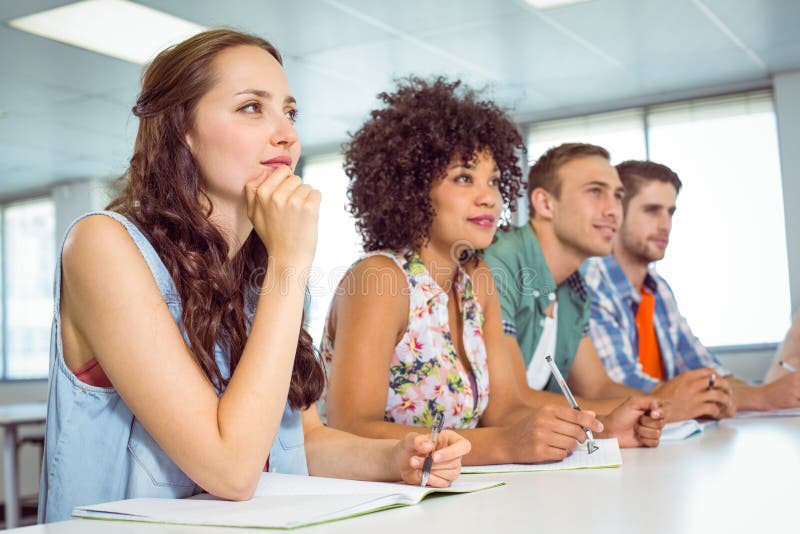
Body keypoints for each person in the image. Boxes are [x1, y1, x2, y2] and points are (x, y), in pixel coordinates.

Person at [39, 30, 470, 523]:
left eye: (289, 112)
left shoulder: (263, 271)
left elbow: (301, 442)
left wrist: (395, 458)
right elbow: (231, 470)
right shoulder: (102, 245)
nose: (286, 134)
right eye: (251, 108)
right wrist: (291, 261)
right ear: (184, 130)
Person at [322, 79, 664, 467]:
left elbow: (505, 411)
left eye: (494, 181)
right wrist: (501, 446)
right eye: (464, 178)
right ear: (413, 189)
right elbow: (351, 429)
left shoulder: (477, 281)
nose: (489, 196)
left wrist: (600, 428)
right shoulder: (379, 280)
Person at [484, 143, 732, 422]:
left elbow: (597, 387)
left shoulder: (573, 287)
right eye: (595, 192)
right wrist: (665, 408)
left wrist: (662, 405)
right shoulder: (499, 264)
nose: (614, 210)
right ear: (545, 204)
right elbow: (514, 401)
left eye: (617, 196)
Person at [583, 159, 800, 412]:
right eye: (652, 210)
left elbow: (706, 371)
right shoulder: (591, 283)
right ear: (617, 212)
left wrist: (769, 392)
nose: (666, 225)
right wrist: (758, 398)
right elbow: (623, 388)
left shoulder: (658, 289)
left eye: (670, 212)